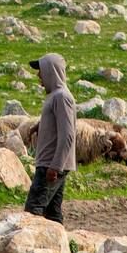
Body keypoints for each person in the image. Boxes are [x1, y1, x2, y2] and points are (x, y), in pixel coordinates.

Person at [25, 53, 76, 224]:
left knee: (34, 210)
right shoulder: (55, 96)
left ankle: (36, 249)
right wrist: (39, 127)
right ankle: (59, 249)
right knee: (53, 213)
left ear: (51, 72)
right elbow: (57, 123)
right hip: (51, 162)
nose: (38, 75)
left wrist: (55, 166)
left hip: (50, 164)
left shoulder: (62, 97)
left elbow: (68, 134)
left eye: (41, 71)